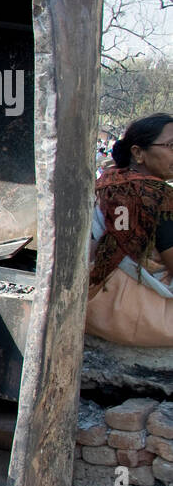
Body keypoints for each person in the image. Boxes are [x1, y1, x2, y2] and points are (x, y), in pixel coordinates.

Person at [86, 113, 173, 346]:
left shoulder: (108, 181)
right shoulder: (155, 194)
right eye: (171, 145)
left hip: (93, 306)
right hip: (138, 314)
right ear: (138, 153)